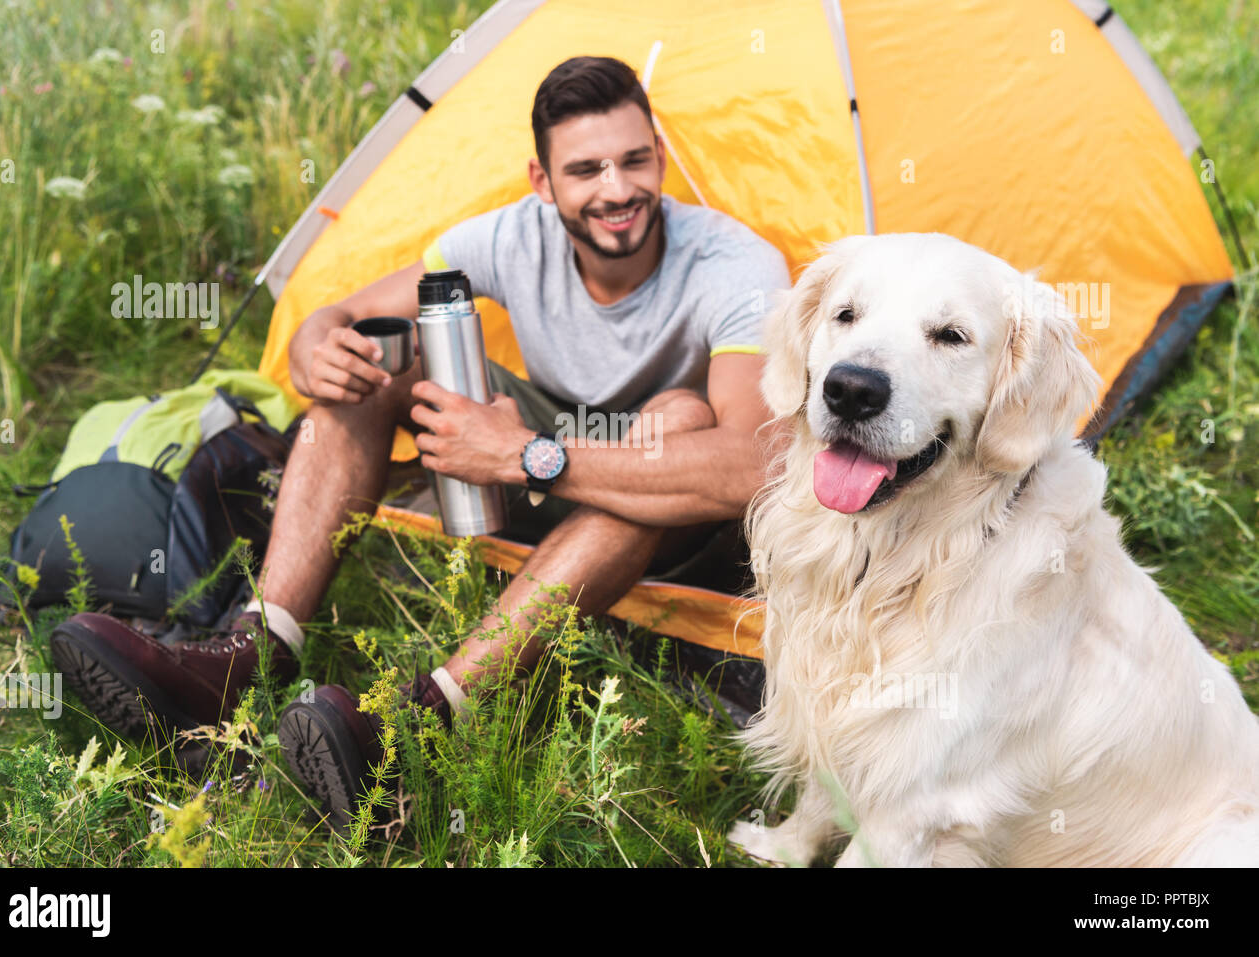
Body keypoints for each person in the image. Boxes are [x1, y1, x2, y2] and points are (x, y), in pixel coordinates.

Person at [51, 55, 791, 827]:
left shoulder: (733, 266)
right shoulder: (511, 237)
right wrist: (316, 346)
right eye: (587, 169)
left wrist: (521, 453)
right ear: (543, 182)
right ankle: (252, 654)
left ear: (660, 158)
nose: (616, 189)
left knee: (678, 414)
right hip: (533, 468)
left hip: (656, 518)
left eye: (635, 160)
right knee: (377, 357)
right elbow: (336, 316)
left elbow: (753, 466)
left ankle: (421, 722)